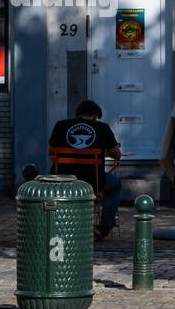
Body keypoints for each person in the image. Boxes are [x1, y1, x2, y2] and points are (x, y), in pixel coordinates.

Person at [48, 99, 123, 241]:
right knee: (116, 185)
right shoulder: (102, 127)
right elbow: (117, 155)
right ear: (95, 116)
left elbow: (50, 152)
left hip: (62, 180)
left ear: (78, 114)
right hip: (93, 182)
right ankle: (104, 228)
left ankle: (58, 226)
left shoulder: (61, 125)